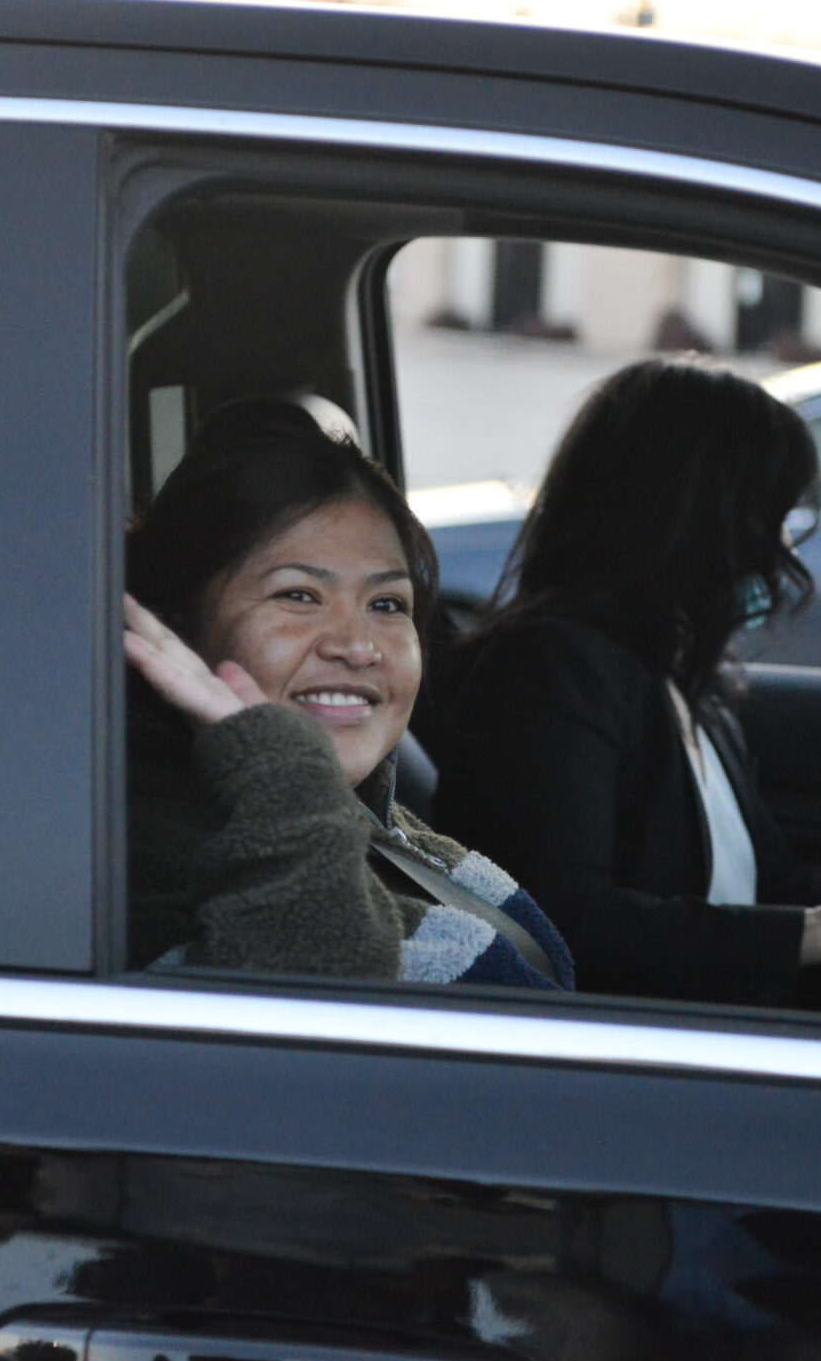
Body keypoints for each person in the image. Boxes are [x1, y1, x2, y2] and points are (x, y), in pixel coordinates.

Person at [428, 359, 821, 1005]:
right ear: (691, 517)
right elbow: (559, 920)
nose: (782, 545)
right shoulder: (550, 670)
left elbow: (771, 883)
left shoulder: (685, 681)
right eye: (768, 517)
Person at [123, 400, 573, 990]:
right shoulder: (141, 859)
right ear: (176, 628)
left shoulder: (376, 821)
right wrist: (281, 776)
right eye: (299, 596)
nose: (359, 647)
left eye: (387, 604)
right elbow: (303, 1040)